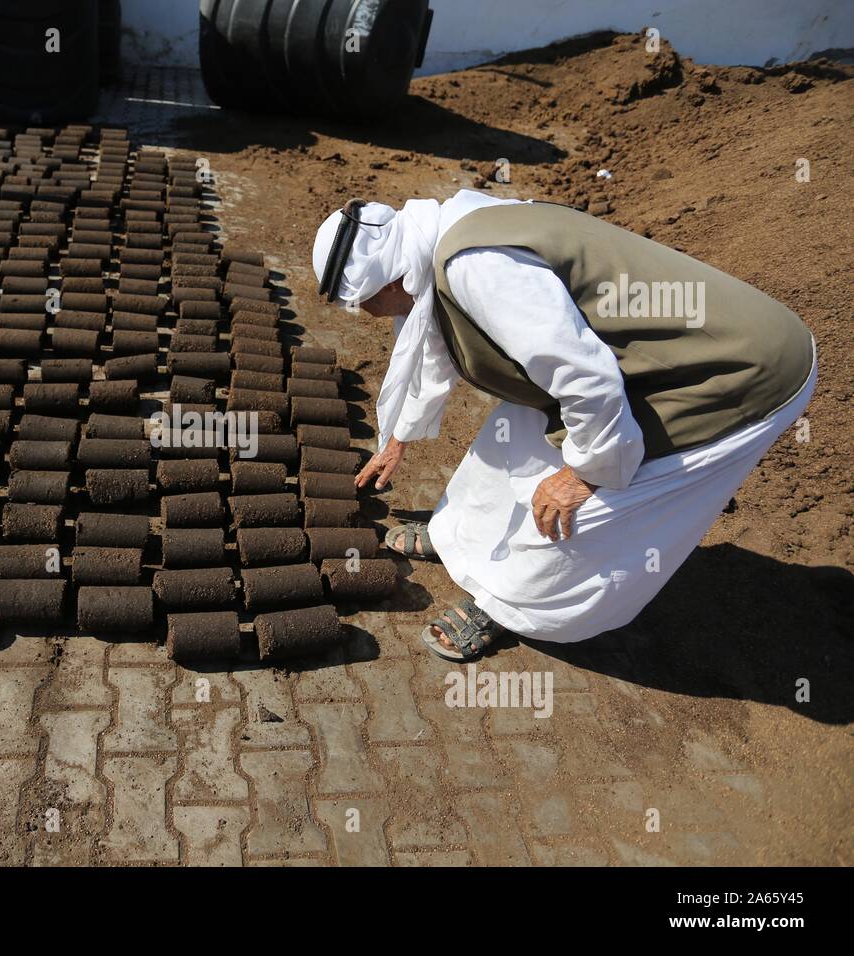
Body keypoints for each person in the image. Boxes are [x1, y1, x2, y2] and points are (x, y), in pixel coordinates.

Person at [311, 190, 816, 660]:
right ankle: (458, 538)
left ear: (390, 277)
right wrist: (398, 437)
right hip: (630, 364)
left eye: (363, 303)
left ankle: (506, 604)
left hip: (730, 373)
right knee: (507, 443)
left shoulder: (477, 267)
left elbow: (584, 377)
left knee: (584, 515)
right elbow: (433, 341)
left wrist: (584, 474)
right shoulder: (436, 239)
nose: (367, 315)